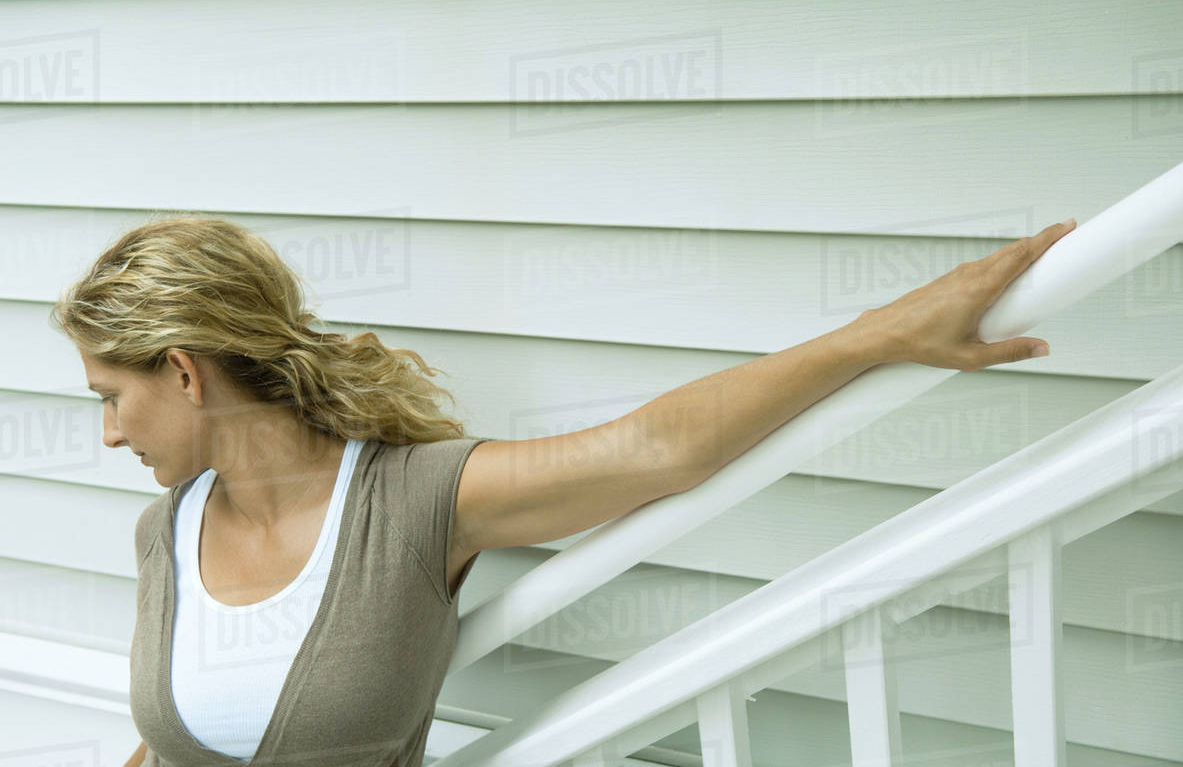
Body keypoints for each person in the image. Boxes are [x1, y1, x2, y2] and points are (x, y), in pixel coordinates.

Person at [49, 214, 1076, 767]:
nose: (106, 431)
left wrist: (877, 336)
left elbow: (653, 449)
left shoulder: (410, 503)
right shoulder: (165, 531)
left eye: (112, 396)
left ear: (183, 373)